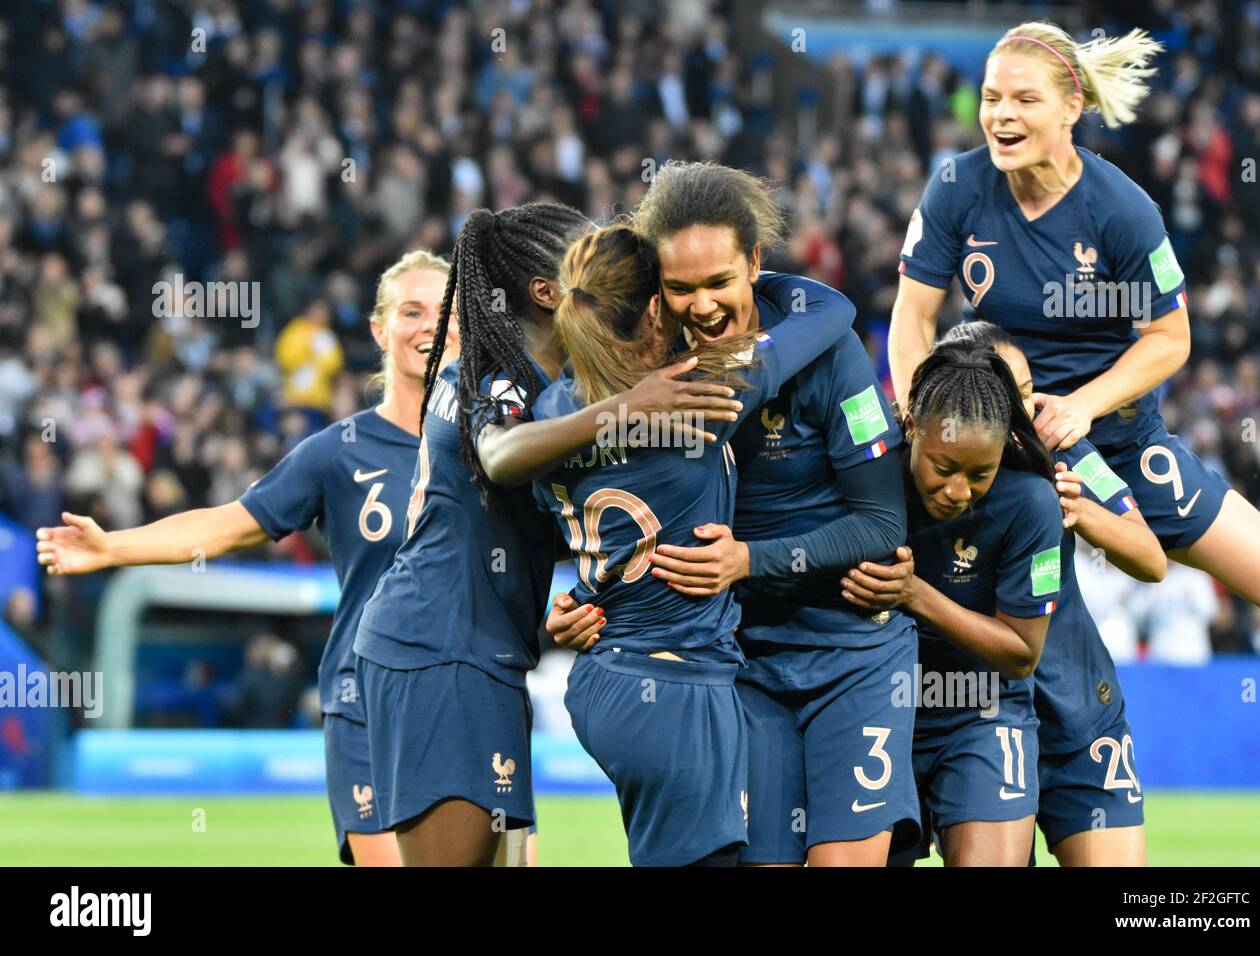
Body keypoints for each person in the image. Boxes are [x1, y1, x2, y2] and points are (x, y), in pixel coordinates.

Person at [551, 160, 920, 867]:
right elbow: (606, 511)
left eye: (719, 281)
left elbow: (882, 526)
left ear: (755, 262)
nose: (703, 305)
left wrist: (750, 559)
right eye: (680, 288)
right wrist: (588, 600)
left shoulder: (831, 353)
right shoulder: (652, 376)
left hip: (854, 656)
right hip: (737, 666)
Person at [35, 250, 458, 867]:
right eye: (410, 311)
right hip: (367, 698)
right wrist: (114, 547)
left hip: (475, 695)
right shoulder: (337, 451)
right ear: (378, 328)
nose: (427, 326)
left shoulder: (496, 447)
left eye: (442, 312)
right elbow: (229, 525)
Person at [352, 204, 742, 867]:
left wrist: (588, 596)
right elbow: (501, 457)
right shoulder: (503, 379)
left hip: (484, 651)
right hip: (439, 649)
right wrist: (628, 406)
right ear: (546, 291)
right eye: (579, 258)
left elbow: (551, 522)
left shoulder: (540, 388)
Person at [887, 21, 1260, 617]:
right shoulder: (956, 188)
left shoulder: (1123, 210)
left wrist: (1081, 406)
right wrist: (919, 414)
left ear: (1071, 107)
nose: (1002, 115)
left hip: (1112, 438)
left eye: (1026, 99)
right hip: (994, 438)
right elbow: (912, 319)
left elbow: (1169, 339)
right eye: (992, 97)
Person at [938, 320, 1164, 865]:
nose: (1027, 408)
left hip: (1079, 715)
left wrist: (1080, 511)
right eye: (1006, 394)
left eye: (1026, 389)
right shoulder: (932, 465)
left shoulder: (1063, 442)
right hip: (975, 721)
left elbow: (1151, 558)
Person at [841, 340, 1060, 866]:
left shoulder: (1030, 503)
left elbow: (1021, 653)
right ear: (912, 426)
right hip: (875, 710)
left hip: (982, 713)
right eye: (944, 467)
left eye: (979, 474)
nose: (959, 491)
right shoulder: (867, 473)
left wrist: (916, 596)